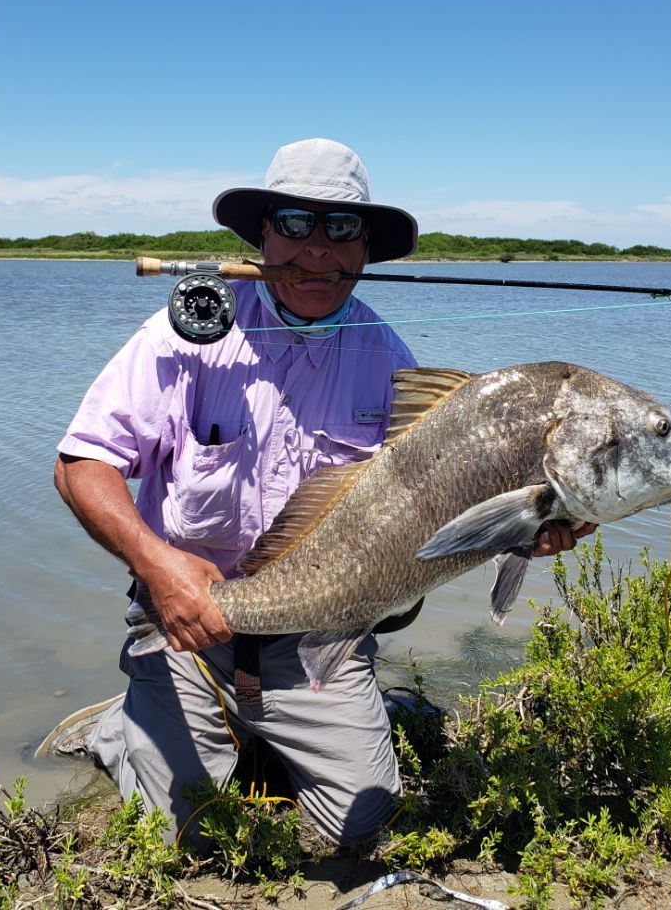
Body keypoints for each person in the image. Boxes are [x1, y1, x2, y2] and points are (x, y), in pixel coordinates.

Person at [53, 138, 593, 846]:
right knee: (179, 838)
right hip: (186, 623)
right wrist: (161, 569)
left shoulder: (394, 365)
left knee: (361, 826)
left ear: (365, 247)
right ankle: (121, 729)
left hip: (317, 635)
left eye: (340, 229)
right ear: (262, 237)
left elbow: (442, 510)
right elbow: (81, 463)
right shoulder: (185, 336)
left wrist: (523, 527)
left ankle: (261, 733)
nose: (317, 251)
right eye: (295, 225)